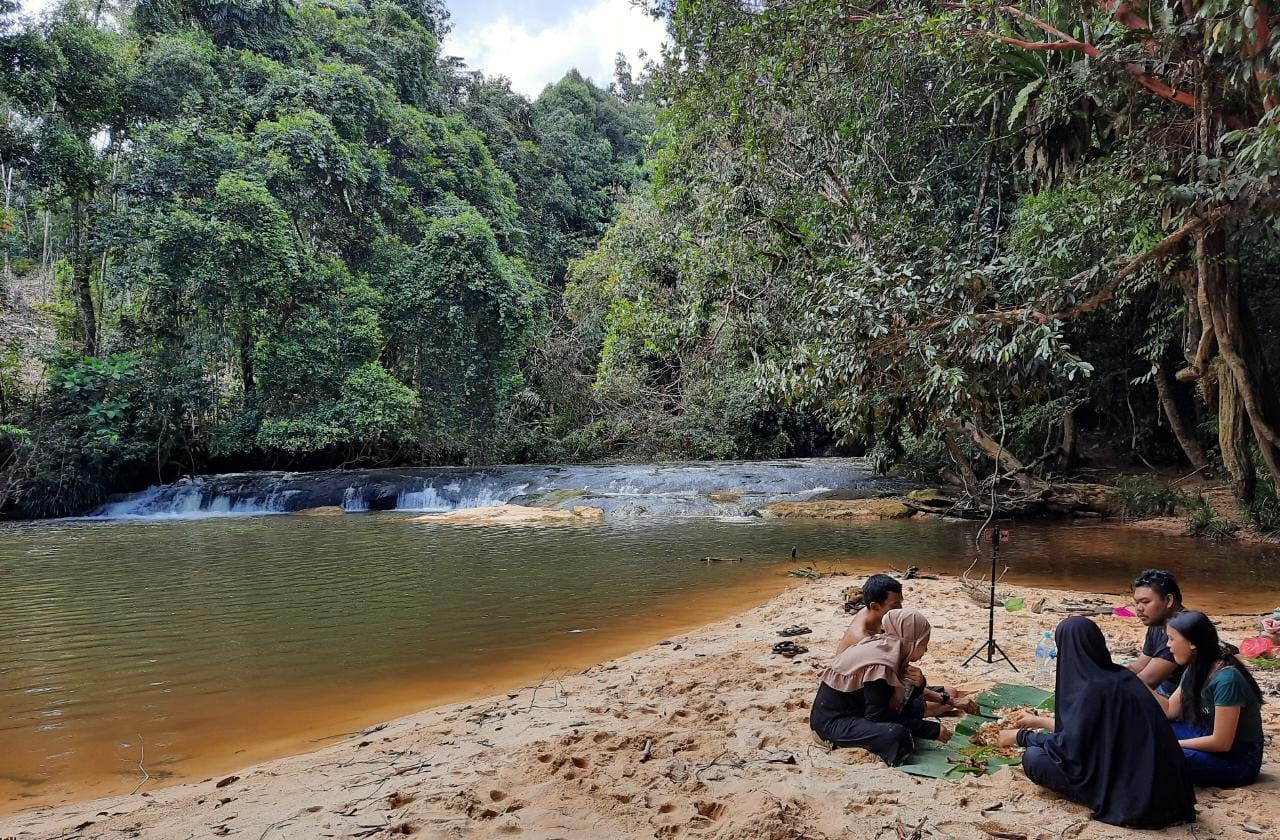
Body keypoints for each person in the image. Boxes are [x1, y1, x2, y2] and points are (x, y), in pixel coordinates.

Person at [997, 616, 1196, 828]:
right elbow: (1090, 729)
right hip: (1171, 796)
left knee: (1035, 758)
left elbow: (1070, 748)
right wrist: (1040, 721)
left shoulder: (1090, 689)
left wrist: (1020, 737)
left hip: (1135, 802)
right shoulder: (1122, 677)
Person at [811, 608, 951, 765]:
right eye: (923, 644)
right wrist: (931, 730)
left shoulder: (890, 646)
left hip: (861, 709)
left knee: (917, 707)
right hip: (834, 723)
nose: (925, 650)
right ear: (912, 642)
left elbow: (898, 696)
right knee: (896, 735)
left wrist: (920, 684)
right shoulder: (880, 664)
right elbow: (878, 715)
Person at [1150, 611, 1265, 788]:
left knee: (1161, 752)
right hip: (1206, 735)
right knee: (1151, 728)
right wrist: (1139, 684)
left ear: (1193, 643)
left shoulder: (1227, 680)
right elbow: (1169, 711)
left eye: (1172, 639)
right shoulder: (1196, 668)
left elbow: (1222, 742)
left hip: (1238, 761)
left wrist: (1172, 744)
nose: (1168, 645)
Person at [835, 574, 976, 716]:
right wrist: (948, 700)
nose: (900, 610)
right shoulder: (865, 641)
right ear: (875, 606)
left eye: (900, 604)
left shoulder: (870, 614)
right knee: (946, 697)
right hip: (869, 699)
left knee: (949, 691)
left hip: (885, 685)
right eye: (895, 606)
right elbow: (892, 684)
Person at [1126, 569, 1186, 695]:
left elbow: (1148, 680)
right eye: (1137, 602)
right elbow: (1140, 665)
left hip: (1178, 698)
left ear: (1168, 600)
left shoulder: (1181, 628)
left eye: (1145, 602)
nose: (1139, 608)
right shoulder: (1158, 622)